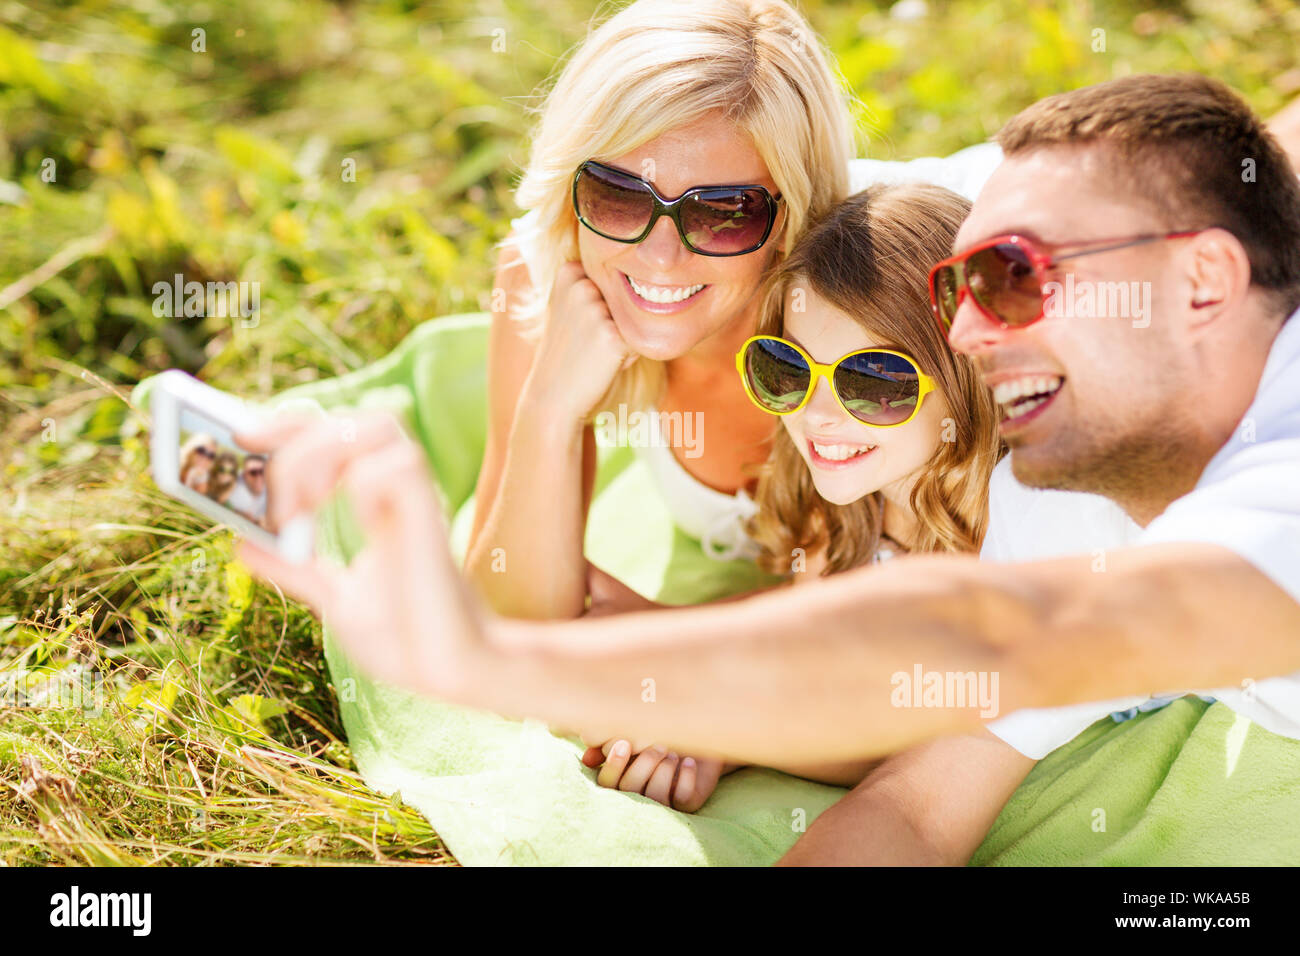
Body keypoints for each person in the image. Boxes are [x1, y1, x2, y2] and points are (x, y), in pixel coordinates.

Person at [236, 71, 1300, 826]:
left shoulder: (1081, 479)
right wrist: (554, 426)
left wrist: (649, 684)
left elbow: (959, 663)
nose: (662, 249)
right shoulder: (825, 354)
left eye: (877, 384)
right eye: (784, 373)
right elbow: (875, 661)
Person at [458, 0, 1004, 620]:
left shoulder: (868, 285)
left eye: (722, 213)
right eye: (619, 194)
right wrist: (549, 408)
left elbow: (925, 579)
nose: (660, 258)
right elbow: (504, 616)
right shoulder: (556, 270)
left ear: (790, 215)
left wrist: (667, 632)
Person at [583, 183, 1027, 830]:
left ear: (971, 378)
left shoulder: (1020, 531)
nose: (817, 415)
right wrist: (659, 639)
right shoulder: (852, 502)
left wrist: (720, 734)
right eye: (788, 368)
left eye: (872, 380)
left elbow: (914, 726)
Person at [227, 454, 268, 526]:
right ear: (244, 475)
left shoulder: (277, 491)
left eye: (262, 472)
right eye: (253, 472)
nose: (258, 477)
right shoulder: (232, 485)